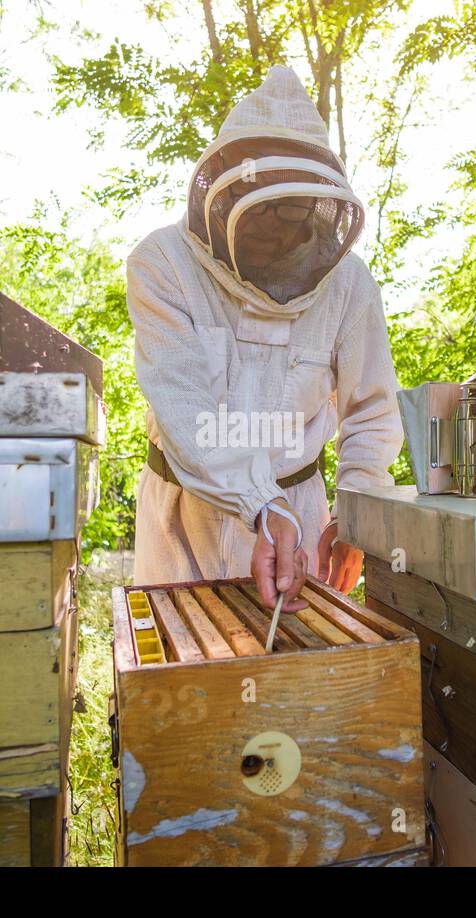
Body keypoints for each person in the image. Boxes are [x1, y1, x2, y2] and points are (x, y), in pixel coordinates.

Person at [126, 64, 402, 614]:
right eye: (262, 202)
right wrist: (261, 505)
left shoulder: (348, 284)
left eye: (291, 209)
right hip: (183, 523)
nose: (275, 224)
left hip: (300, 519)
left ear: (317, 202)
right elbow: (184, 408)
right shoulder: (163, 263)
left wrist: (356, 515)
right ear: (226, 188)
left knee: (292, 690)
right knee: (181, 693)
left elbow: (372, 410)